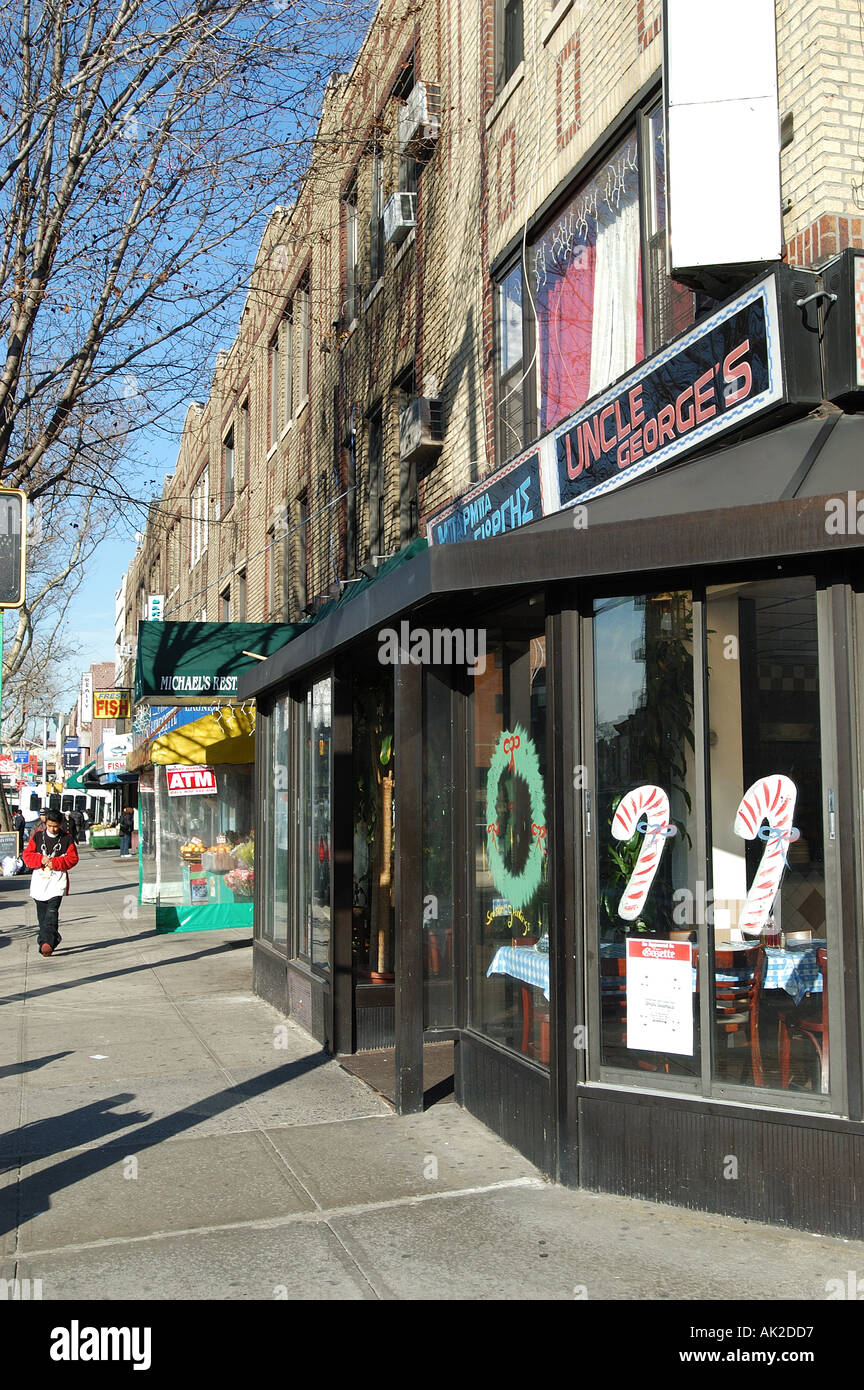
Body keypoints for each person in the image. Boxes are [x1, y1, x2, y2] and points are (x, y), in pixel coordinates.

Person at [23, 808, 79, 957]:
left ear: (60, 824)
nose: (53, 829)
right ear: (45, 823)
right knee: (42, 915)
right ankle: (48, 941)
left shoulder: (67, 838)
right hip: (40, 881)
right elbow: (27, 856)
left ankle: (46, 943)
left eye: (55, 826)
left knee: (52, 912)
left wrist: (55, 862)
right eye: (50, 826)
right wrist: (40, 859)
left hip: (57, 880)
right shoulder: (37, 836)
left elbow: (73, 859)